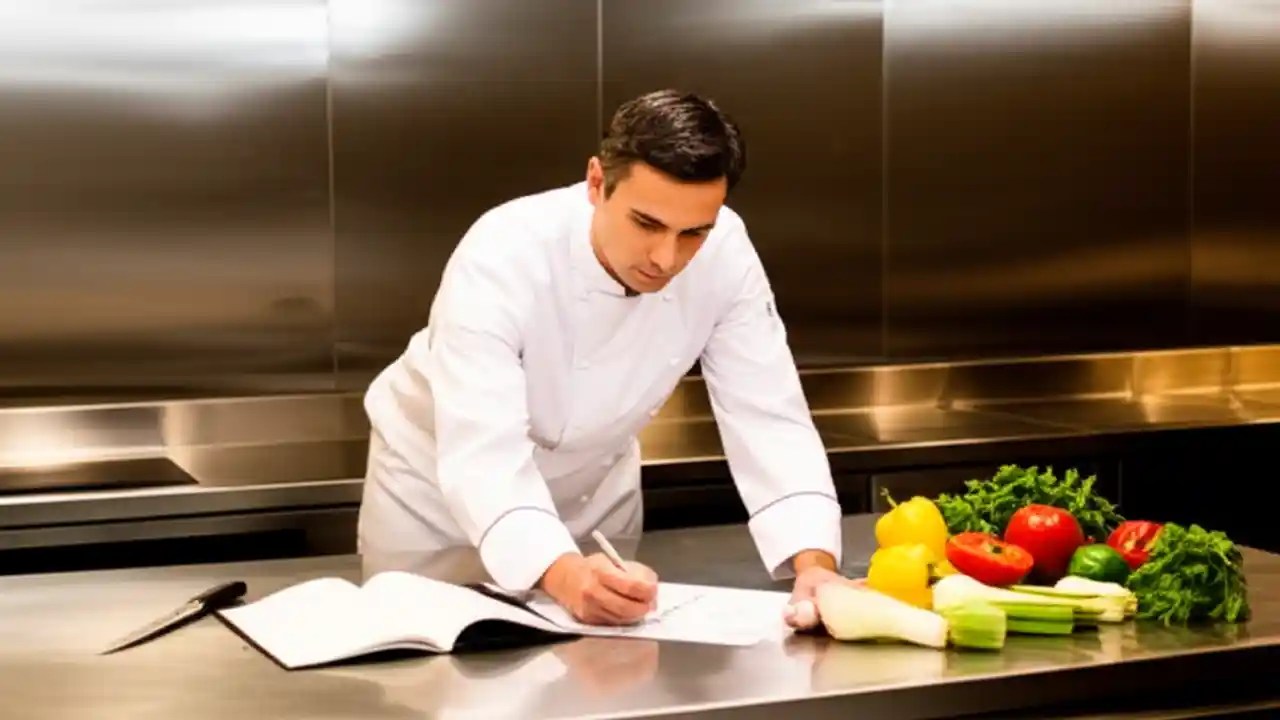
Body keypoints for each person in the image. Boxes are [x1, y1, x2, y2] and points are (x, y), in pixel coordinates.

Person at [357, 89, 847, 629]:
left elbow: (769, 415)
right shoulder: (502, 252)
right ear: (596, 183)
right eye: (647, 224)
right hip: (435, 505)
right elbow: (481, 454)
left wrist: (816, 566)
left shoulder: (727, 251)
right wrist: (564, 574)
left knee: (597, 670)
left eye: (693, 233)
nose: (666, 258)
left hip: (594, 502)